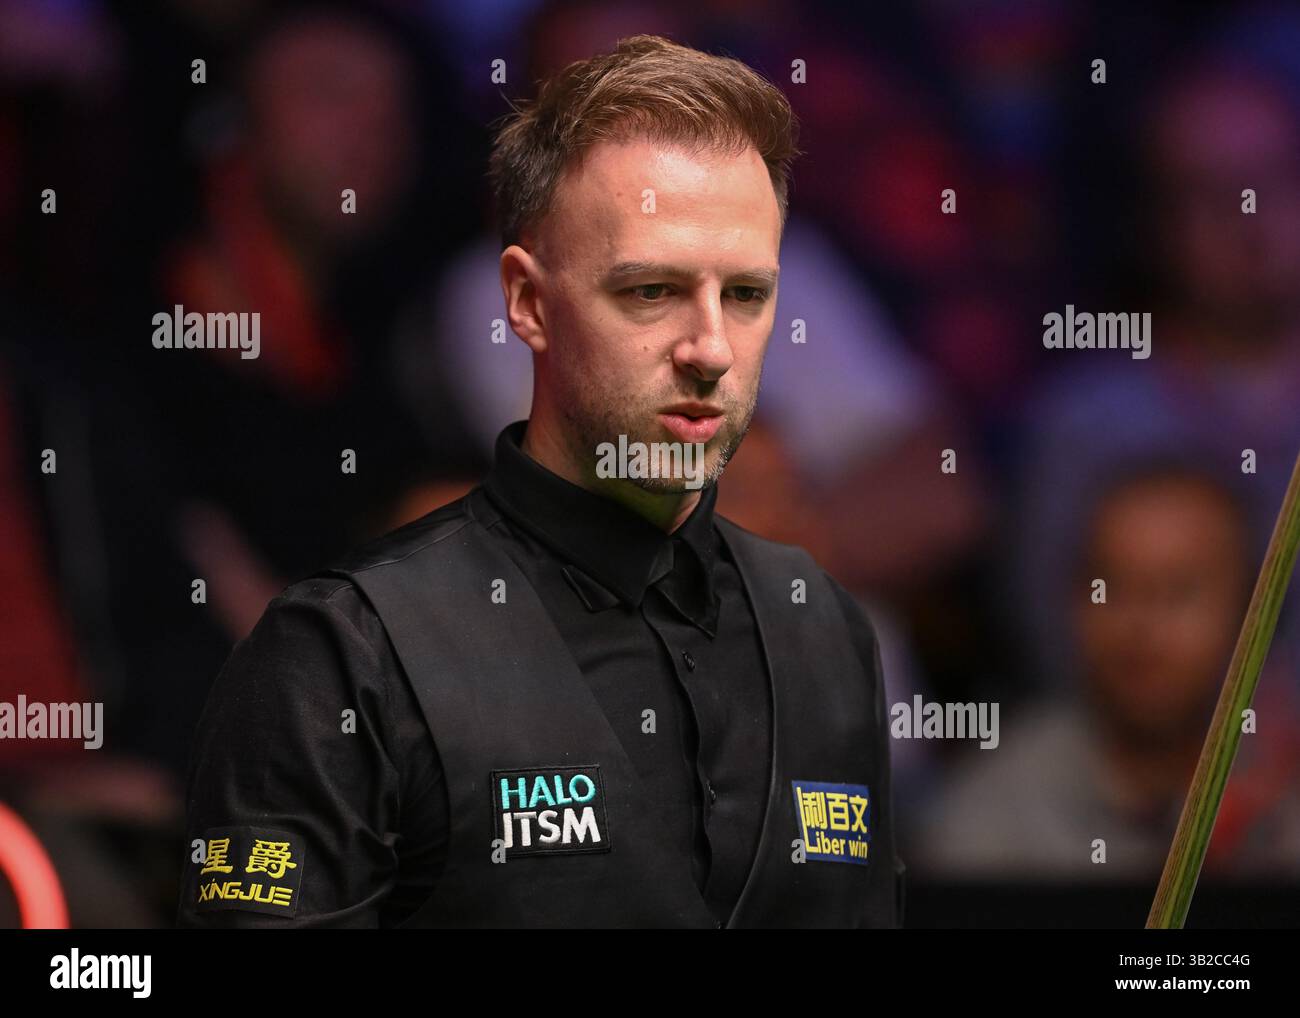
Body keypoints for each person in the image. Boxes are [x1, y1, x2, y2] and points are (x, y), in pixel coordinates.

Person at [177, 34, 902, 929]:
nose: (712, 349)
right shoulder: (345, 654)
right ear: (526, 302)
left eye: (746, 294)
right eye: (650, 292)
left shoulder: (824, 631)